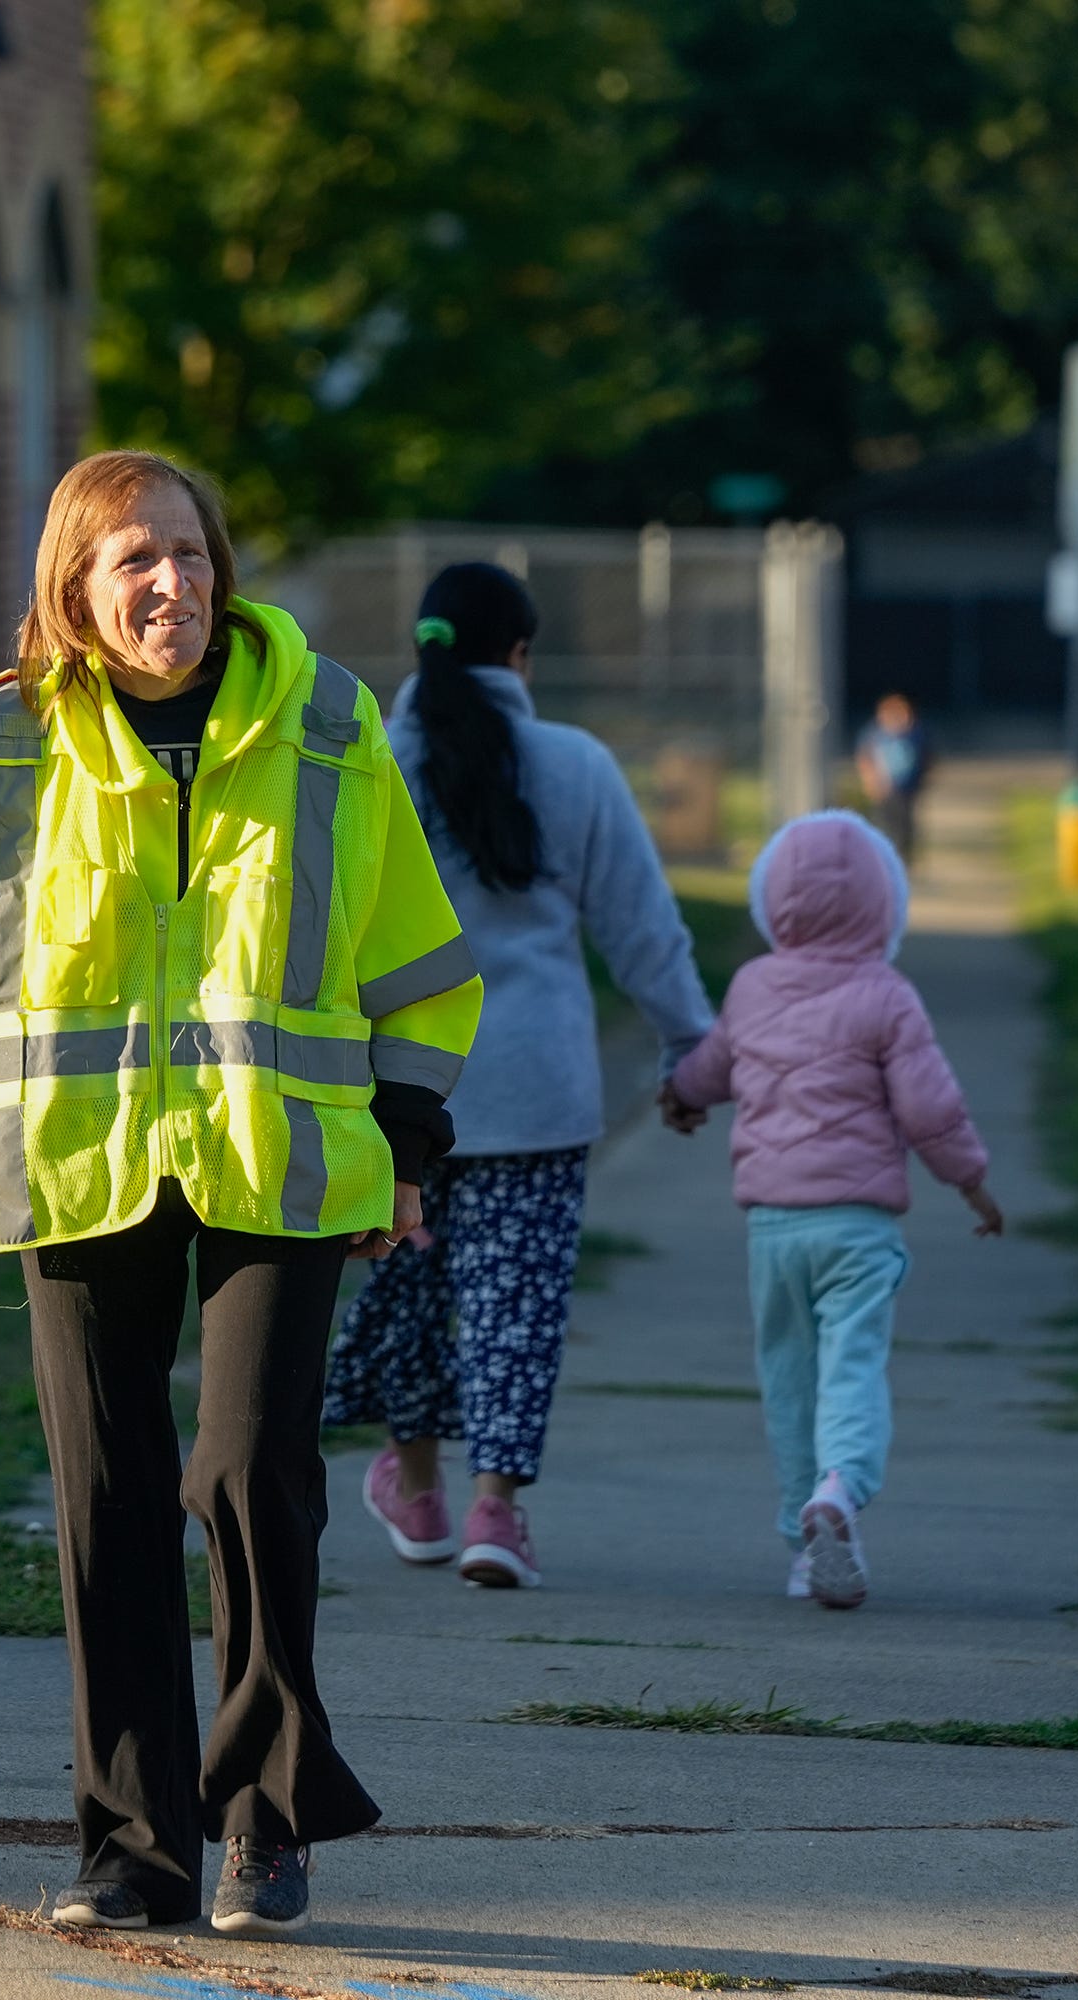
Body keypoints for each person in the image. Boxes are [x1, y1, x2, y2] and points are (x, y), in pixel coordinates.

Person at [0, 449, 482, 1938]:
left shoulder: (330, 722)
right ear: (77, 588)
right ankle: (134, 1848)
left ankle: (263, 1819)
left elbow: (413, 953)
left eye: (191, 553)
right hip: (77, 1159)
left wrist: (408, 1146)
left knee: (248, 1476)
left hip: (279, 1158)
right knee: (105, 1499)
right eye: (134, 561)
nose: (171, 584)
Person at [323, 561, 715, 1589]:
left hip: (396, 1085)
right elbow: (639, 927)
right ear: (521, 654)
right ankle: (495, 1512)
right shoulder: (575, 763)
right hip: (537, 1089)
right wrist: (691, 1051)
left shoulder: (368, 759)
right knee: (517, 1303)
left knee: (405, 1288)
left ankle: (416, 1489)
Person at [660, 809, 1003, 1610]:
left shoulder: (751, 986)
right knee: (852, 1368)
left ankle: (798, 1541)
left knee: (788, 1378)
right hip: (859, 1225)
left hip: (774, 1228)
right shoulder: (887, 994)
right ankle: (840, 1491)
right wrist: (971, 1183)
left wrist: (676, 1097)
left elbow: (711, 1066)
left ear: (768, 901)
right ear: (888, 905)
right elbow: (930, 1109)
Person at [855, 692, 932, 866]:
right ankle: (884, 856)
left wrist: (924, 779)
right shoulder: (874, 734)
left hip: (907, 788)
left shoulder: (916, 734)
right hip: (884, 787)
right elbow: (865, 758)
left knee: (905, 823)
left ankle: (904, 857)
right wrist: (870, 781)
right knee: (884, 823)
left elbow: (926, 757)